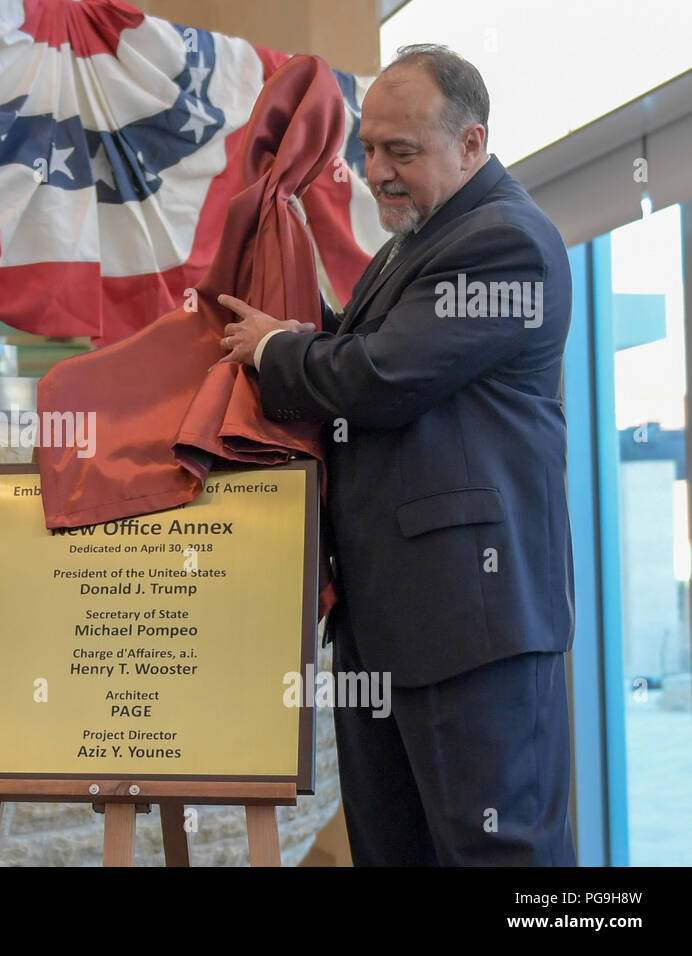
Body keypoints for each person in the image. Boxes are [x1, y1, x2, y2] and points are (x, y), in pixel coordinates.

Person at [216, 44, 576, 865]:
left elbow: (381, 374)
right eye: (367, 148)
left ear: (472, 145)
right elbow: (346, 346)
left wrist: (275, 348)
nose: (373, 172)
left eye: (400, 152)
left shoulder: (506, 241)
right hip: (390, 626)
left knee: (499, 859)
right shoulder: (412, 242)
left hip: (472, 625)